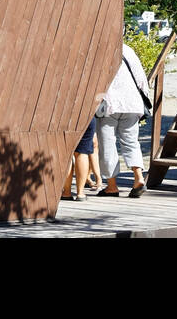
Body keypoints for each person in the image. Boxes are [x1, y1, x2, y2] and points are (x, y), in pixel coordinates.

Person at [96, 42, 151, 198]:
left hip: (108, 103)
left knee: (107, 144)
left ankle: (112, 186)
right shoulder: (128, 50)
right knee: (131, 142)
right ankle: (139, 178)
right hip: (132, 103)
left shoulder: (100, 49)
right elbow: (141, 79)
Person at [62, 118, 96, 201]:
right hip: (87, 116)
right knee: (82, 153)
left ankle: (66, 192)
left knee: (67, 154)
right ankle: (80, 193)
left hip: (65, 117)